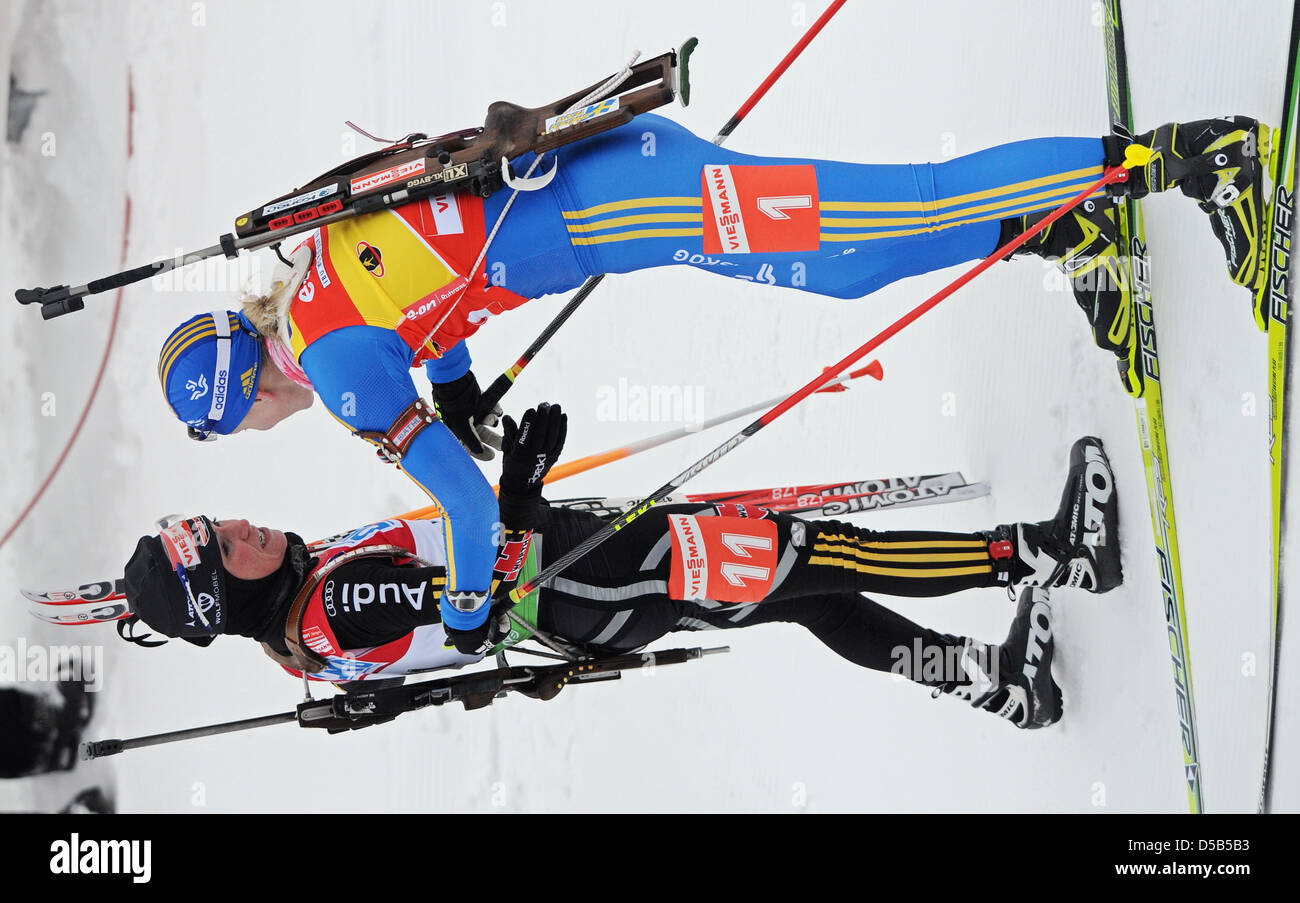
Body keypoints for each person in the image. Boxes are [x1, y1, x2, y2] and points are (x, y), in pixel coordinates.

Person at [151, 110, 1241, 656]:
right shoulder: (316, 289)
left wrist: (474, 605)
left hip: (629, 209)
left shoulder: (336, 379)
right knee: (858, 264)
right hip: (616, 190)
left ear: (246, 403)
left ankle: (1195, 155)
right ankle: (1069, 231)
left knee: (896, 209)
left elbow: (469, 509)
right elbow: (431, 296)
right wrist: (460, 389)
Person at [120, 405, 1121, 729]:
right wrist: (519, 490)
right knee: (823, 555)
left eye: (222, 519)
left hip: (593, 593)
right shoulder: (339, 599)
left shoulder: (304, 623)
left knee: (812, 601)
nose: (245, 528)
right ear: (230, 595)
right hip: (597, 575)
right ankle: (1056, 552)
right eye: (230, 548)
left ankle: (999, 683)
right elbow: (477, 597)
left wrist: (523, 500)